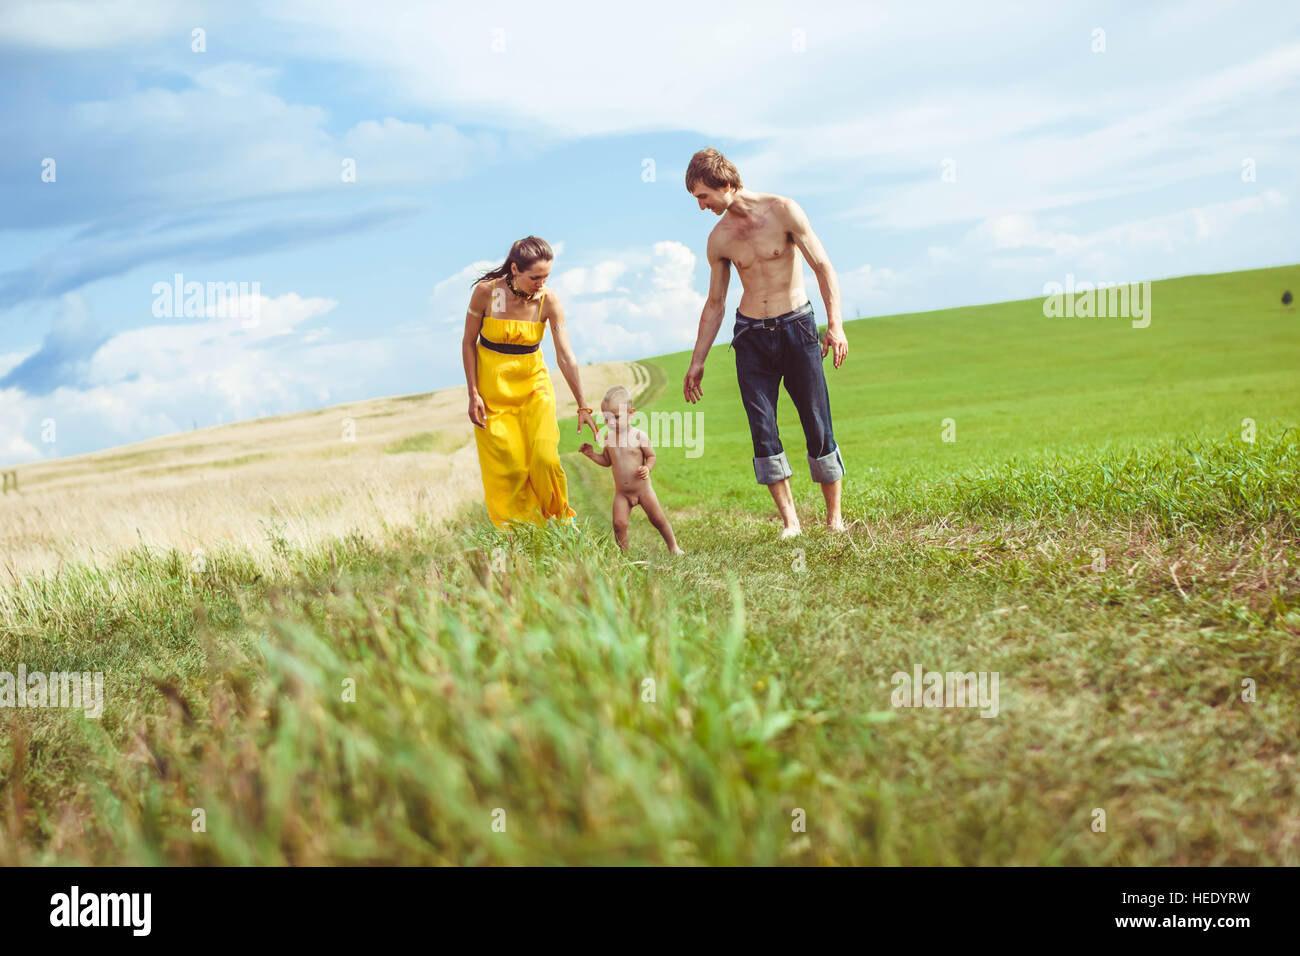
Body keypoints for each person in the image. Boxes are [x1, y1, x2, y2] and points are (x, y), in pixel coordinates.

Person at [681, 147, 848, 538]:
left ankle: (834, 520)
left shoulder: (784, 210)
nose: (702, 206)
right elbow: (715, 304)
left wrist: (835, 326)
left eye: (703, 196)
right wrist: (697, 361)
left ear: (724, 183)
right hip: (751, 336)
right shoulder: (718, 239)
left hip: (797, 327)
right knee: (762, 428)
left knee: (816, 419)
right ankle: (791, 522)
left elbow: (823, 268)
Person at [462, 236, 598, 527]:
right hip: (493, 391)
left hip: (534, 385)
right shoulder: (486, 294)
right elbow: (468, 342)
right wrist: (473, 393)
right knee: (509, 468)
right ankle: (524, 534)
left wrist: (583, 405)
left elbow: (565, 355)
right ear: (514, 269)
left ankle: (562, 524)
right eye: (535, 277)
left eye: (546, 276)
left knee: (545, 457)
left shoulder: (549, 300)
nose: (541, 284)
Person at [578, 385, 684, 553]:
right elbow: (607, 461)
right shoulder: (608, 438)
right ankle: (625, 555)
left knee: (658, 519)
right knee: (619, 524)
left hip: (643, 491)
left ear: (631, 414)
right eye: (606, 418)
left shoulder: (639, 436)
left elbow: (651, 456)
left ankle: (673, 546)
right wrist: (591, 454)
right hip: (622, 493)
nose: (611, 422)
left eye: (617, 417)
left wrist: (647, 468)